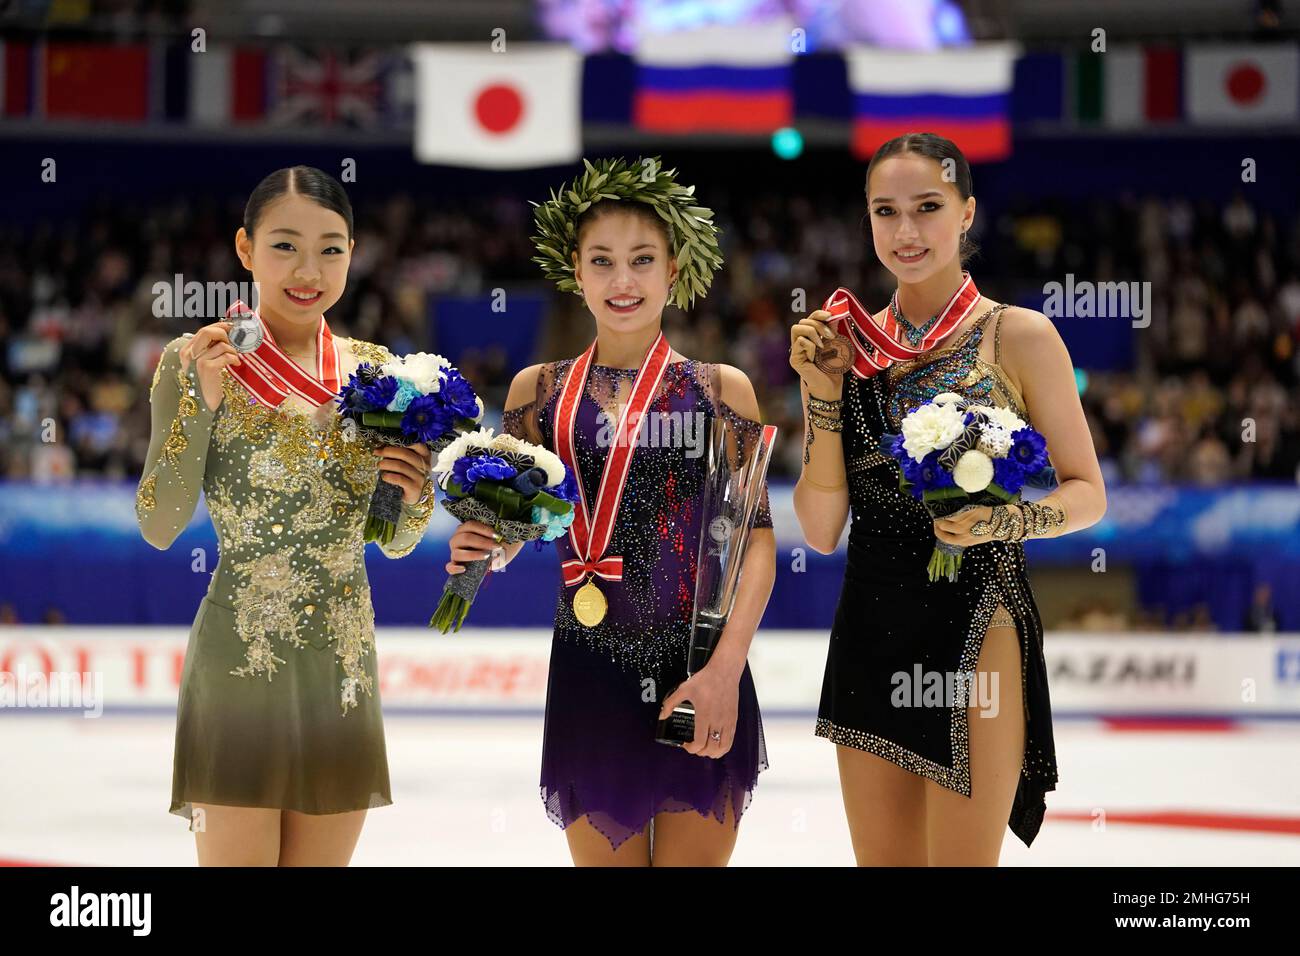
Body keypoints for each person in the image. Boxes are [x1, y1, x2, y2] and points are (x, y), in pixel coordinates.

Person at [448, 157, 775, 866]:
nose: (622, 281)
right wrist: (485, 545)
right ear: (576, 269)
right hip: (589, 670)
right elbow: (520, 527)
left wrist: (724, 671)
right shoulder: (538, 393)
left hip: (698, 663)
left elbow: (754, 544)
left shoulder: (723, 392)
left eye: (641, 260)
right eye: (602, 261)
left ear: (673, 267)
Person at [790, 133, 1107, 865]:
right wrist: (821, 394)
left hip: (975, 625)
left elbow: (1089, 494)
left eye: (927, 207)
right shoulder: (847, 347)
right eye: (886, 211)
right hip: (869, 629)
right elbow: (820, 527)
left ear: (966, 213)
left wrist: (1009, 519)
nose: (905, 232)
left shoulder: (1016, 336)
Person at [136, 165, 435, 866]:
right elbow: (157, 523)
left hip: (341, 664)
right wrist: (200, 407)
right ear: (245, 250)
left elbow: (394, 543)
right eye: (285, 247)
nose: (310, 269)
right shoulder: (195, 359)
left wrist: (413, 492)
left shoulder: (379, 376)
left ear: (355, 253)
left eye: (331, 248)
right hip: (238, 660)